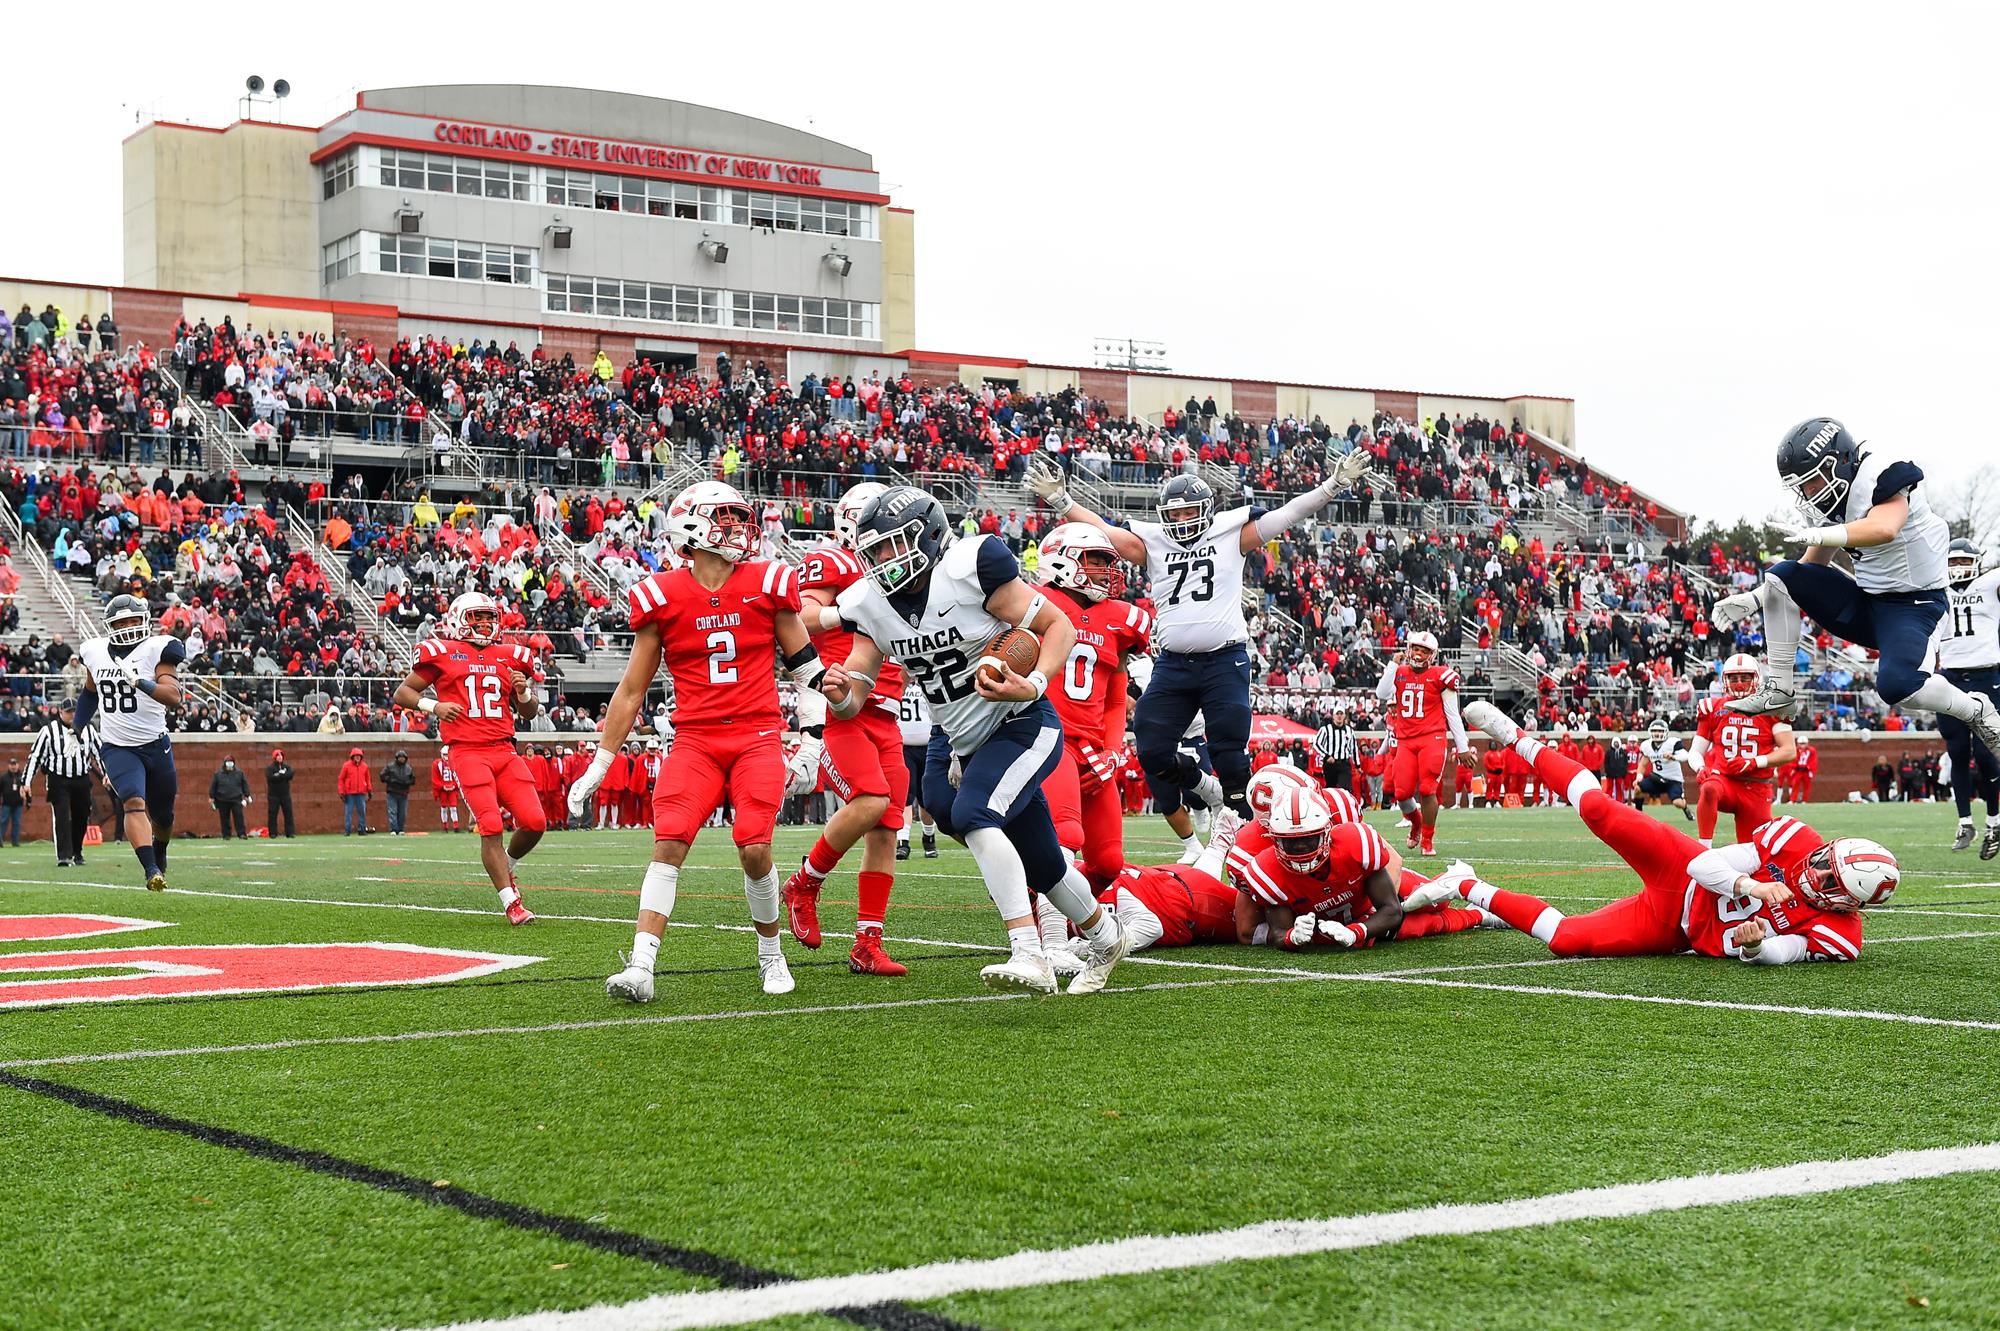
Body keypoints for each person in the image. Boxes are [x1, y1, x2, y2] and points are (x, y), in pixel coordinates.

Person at [817, 485, 1132, 996]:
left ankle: (1029, 950)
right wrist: (839, 694)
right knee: (1039, 857)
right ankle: (1105, 934)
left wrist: (1034, 682)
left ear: (927, 537)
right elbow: (857, 687)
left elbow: (1057, 626)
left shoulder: (970, 565)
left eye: (891, 546)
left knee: (973, 815)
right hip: (957, 737)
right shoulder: (867, 603)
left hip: (1022, 719)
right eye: (873, 551)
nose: (882, 561)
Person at [574, 481, 830, 1001]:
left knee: (755, 847)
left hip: (757, 735)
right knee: (668, 842)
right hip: (695, 740)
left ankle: (770, 952)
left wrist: (811, 744)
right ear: (694, 526)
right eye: (728, 519)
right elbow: (631, 689)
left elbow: (809, 672)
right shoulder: (661, 594)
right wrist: (601, 761)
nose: (740, 530)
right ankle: (642, 966)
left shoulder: (769, 581)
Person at [1029, 448, 1371, 822]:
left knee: (1230, 755)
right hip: (1174, 665)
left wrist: (1333, 485)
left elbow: (1287, 513)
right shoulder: (1155, 543)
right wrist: (1061, 500)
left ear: (1206, 509)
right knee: (1152, 750)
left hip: (1224, 660)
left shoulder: (1230, 535)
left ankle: (1242, 831)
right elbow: (1104, 530)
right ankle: (1205, 787)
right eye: (1174, 513)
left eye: (1188, 511)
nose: (1181, 519)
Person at [1458, 701, 1897, 963]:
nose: (1816, 872)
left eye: (1829, 881)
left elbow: (1788, 952)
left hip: (1677, 928)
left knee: (1567, 940)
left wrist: (1756, 947)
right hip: (1681, 869)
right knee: (1596, 807)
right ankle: (1517, 737)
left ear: (1849, 903)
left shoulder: (1840, 933)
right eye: (1826, 862)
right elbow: (1705, 863)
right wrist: (1752, 887)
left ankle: (1467, 886)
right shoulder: (1798, 841)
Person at [1713, 418, 2000, 755]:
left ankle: (1975, 709)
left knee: (1898, 686)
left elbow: (1885, 527)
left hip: (1915, 607)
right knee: (1782, 574)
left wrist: (1824, 533)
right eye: (1802, 486)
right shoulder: (1829, 504)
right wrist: (1755, 598)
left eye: (1812, 481)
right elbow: (1811, 564)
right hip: (1867, 602)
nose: (1808, 494)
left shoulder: (1881, 477)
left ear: (1841, 461)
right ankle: (1780, 689)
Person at [780, 482, 910, 976]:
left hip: (889, 709)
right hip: (840, 706)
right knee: (871, 798)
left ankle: (867, 943)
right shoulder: (836, 561)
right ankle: (805, 882)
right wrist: (847, 610)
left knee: (886, 827)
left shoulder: (900, 572)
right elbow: (803, 616)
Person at [394, 591, 546, 922]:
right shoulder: (444, 652)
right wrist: (434, 706)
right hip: (467, 751)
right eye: (478, 617)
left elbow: (530, 712)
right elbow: (403, 692)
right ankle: (511, 902)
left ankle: (506, 865)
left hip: (505, 749)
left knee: (535, 822)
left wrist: (522, 692)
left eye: (490, 617)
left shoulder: (511, 655)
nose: (486, 623)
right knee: (490, 824)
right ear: (460, 618)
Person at [1030, 523, 1151, 897]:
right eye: (1093, 561)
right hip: (1049, 736)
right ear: (1060, 562)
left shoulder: (1120, 618)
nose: (1105, 571)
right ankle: (1046, 930)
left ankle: (1052, 902)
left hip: (1094, 745)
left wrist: (1113, 753)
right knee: (1067, 834)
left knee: (1109, 861)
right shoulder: (1033, 604)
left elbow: (1116, 698)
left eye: (1106, 562)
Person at [1222, 786, 1489, 951]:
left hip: (1366, 902)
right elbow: (1277, 933)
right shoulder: (1265, 869)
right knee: (1416, 929)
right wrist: (1292, 937)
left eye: (1308, 839)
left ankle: (1455, 881)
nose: (1302, 849)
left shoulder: (1353, 842)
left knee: (1431, 900)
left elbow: (1391, 909)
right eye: (1291, 843)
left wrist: (1359, 929)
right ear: (1273, 837)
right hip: (1332, 925)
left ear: (1327, 832)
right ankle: (1477, 917)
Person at [75, 593, 185, 890]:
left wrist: (141, 682)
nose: (128, 626)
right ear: (110, 625)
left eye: (134, 620)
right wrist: (77, 726)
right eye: (122, 621)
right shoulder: (95, 651)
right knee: (133, 802)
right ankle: (151, 870)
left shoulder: (157, 648)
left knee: (164, 816)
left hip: (155, 744)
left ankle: (159, 850)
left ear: (145, 620)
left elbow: (174, 697)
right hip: (118, 746)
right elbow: (89, 692)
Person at [1933, 539, 2000, 857]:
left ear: (1977, 561)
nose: (1958, 567)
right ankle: (1964, 822)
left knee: (1987, 754)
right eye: (1953, 561)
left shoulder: (1990, 582)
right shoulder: (1937, 587)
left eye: (1964, 561)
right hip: (1950, 676)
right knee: (1957, 752)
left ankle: (1993, 822)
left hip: (1987, 674)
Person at [1375, 630, 1467, 856]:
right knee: (1402, 791)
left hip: (1432, 737)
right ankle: (1415, 822)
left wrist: (1462, 746)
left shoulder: (1440, 675)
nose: (1418, 654)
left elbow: (1452, 713)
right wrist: (1391, 665)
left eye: (1424, 650)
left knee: (1427, 789)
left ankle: (1427, 838)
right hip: (1405, 739)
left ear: (1432, 655)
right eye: (1415, 649)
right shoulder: (1399, 671)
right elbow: (1382, 692)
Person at [1688, 655, 1796, 847]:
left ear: (1756, 678)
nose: (1739, 683)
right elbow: (1695, 751)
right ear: (1725, 680)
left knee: (1754, 853)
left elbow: (1789, 751)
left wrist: (1755, 761)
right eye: (1733, 678)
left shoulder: (1772, 708)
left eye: (1745, 677)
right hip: (1725, 782)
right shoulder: (1713, 708)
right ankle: (1703, 849)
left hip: (1757, 787)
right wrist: (1700, 768)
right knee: (1709, 787)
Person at [26, 698, 99, 865]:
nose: (73, 715)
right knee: (62, 816)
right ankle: (64, 856)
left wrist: (109, 774)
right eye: (69, 712)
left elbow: (100, 752)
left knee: (82, 816)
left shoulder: (88, 729)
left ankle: (77, 851)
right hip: (58, 779)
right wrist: (27, 782)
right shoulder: (48, 731)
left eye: (75, 711)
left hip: (81, 778)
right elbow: (35, 757)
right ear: (60, 712)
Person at [894, 678, 938, 861]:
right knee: (905, 797)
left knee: (926, 798)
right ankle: (903, 842)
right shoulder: (897, 683)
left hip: (928, 746)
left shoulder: (929, 681)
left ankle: (929, 837)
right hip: (903, 747)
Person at [1633, 720, 1694, 819]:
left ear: (1666, 732)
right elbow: (1643, 764)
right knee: (1637, 789)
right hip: (1657, 778)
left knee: (1677, 803)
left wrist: (1673, 756)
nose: (1657, 733)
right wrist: (1639, 777)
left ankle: (1685, 808)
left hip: (1673, 780)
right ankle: (1638, 815)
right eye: (1655, 731)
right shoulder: (1646, 745)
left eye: (1660, 731)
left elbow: (1686, 755)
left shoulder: (1672, 743)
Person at [1313, 705, 1358, 800]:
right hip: (1330, 764)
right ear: (1333, 716)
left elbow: (1353, 748)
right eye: (1337, 714)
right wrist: (1326, 756)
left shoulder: (1349, 730)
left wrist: (1357, 764)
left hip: (1344, 763)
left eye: (1341, 714)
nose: (1339, 716)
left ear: (1344, 716)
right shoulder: (1325, 729)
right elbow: (1316, 744)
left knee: (1346, 789)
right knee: (1330, 789)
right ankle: (1331, 810)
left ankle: (1346, 810)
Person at [208, 756, 251, 839]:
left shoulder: (239, 773)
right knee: (224, 819)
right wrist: (211, 797)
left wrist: (247, 795)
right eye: (228, 762)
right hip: (222, 799)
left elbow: (244, 784)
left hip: (236, 799)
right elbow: (213, 786)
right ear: (224, 763)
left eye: (231, 761)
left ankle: (241, 833)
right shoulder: (218, 774)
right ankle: (226, 835)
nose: (229, 763)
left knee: (239, 817)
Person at [381, 749, 418, 835]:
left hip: (403, 793)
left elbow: (413, 780)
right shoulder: (390, 767)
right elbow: (382, 776)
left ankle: (401, 829)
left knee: (402, 813)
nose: (402, 759)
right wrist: (391, 780)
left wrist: (407, 783)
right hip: (392, 792)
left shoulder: (408, 768)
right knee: (393, 811)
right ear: (397, 758)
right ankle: (393, 829)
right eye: (400, 758)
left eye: (403, 758)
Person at [338, 748, 373, 834]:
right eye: (356, 756)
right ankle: (347, 830)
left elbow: (367, 779)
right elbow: (341, 779)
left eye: (359, 756)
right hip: (349, 793)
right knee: (348, 812)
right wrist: (341, 792)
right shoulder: (346, 766)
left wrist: (369, 790)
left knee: (362, 812)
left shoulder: (365, 766)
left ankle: (361, 829)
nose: (357, 758)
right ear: (352, 757)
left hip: (361, 792)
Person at [263, 748, 296, 838]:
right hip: (273, 795)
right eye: (278, 755)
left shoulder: (286, 767)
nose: (280, 757)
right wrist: (281, 776)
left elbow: (290, 774)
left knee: (288, 813)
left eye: (281, 755)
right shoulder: (270, 768)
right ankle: (273, 833)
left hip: (285, 794)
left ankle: (290, 832)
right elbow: (271, 778)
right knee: (273, 814)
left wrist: (280, 775)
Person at [432, 745, 463, 831]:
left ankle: (456, 826)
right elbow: (435, 778)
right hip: (443, 789)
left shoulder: (455, 763)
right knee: (444, 807)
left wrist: (454, 785)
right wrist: (442, 786)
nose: (446, 757)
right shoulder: (437, 764)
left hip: (452, 788)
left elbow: (459, 776)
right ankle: (445, 826)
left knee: (453, 807)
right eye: (445, 755)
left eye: (447, 755)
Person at [0, 756, 26, 847]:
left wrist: (28, 801)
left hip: (18, 804)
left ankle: (15, 842)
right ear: (8, 766)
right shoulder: (3, 777)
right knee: (3, 822)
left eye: (14, 764)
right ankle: (0, 840)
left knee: (17, 823)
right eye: (11, 765)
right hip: (6, 804)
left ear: (18, 765)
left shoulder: (22, 777)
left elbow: (27, 789)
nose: (13, 766)